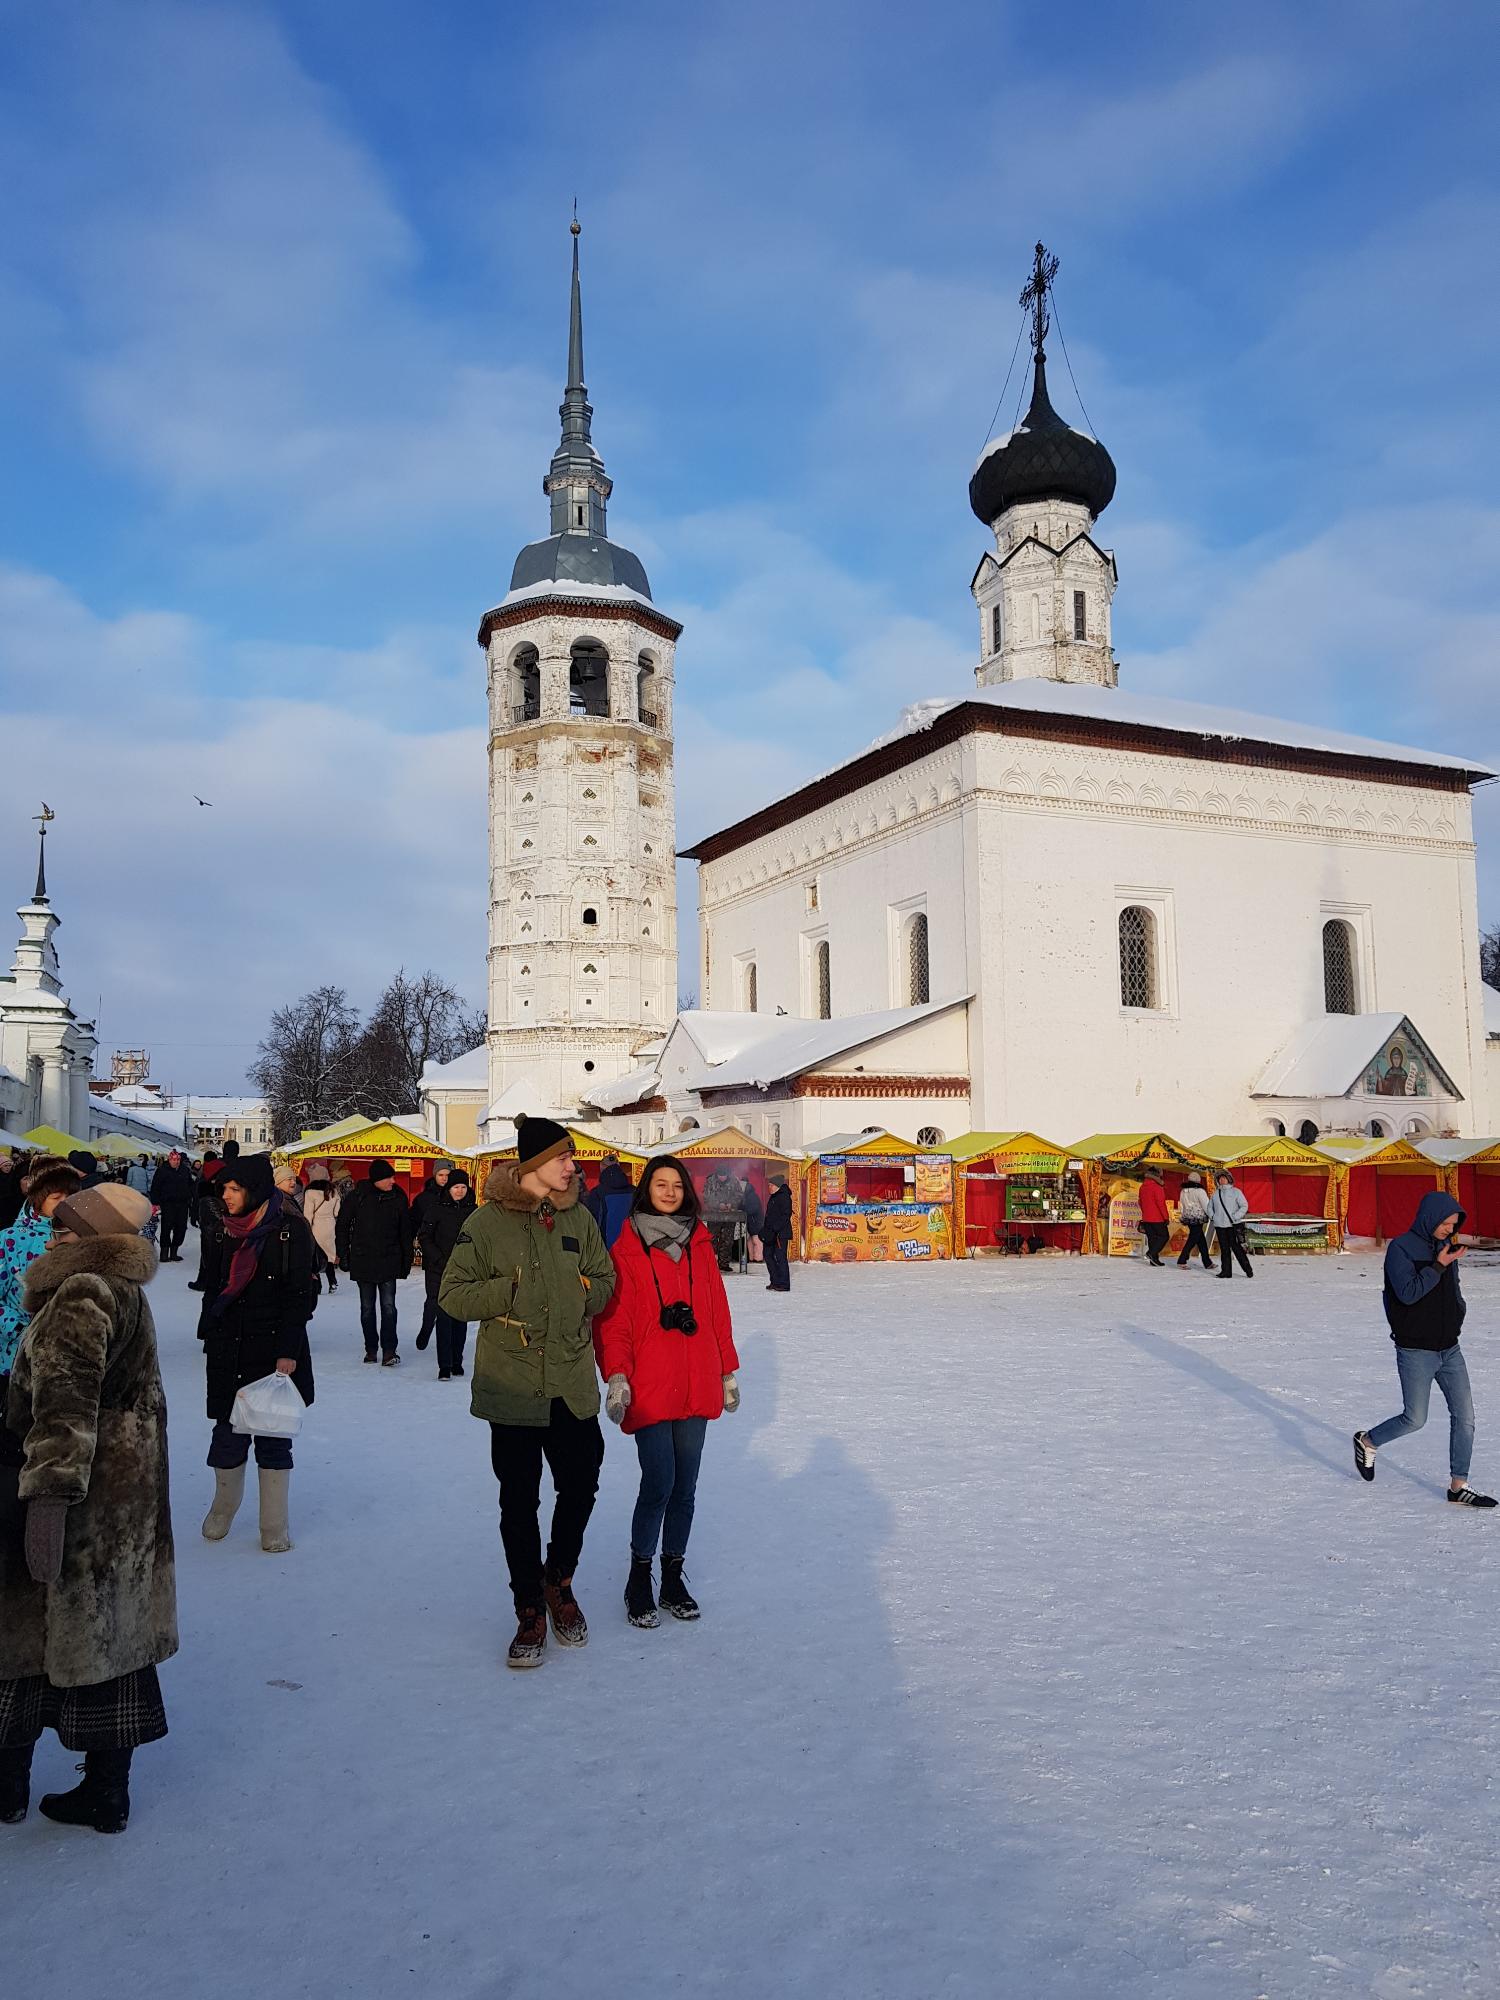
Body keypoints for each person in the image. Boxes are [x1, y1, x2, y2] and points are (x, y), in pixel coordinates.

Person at [0, 1183, 175, 1834]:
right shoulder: (120, 1288)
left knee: (27, 1638)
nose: (55, 1230)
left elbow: (66, 1405)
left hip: (78, 1496)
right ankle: (105, 1792)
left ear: (93, 1234)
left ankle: (13, 1785)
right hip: (122, 1500)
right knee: (108, 1643)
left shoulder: (82, 1290)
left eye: (68, 1224)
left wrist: (48, 1496)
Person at [438, 1116, 615, 1669]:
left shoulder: (579, 1218)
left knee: (582, 1482)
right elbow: (452, 1295)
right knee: (519, 1501)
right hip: (512, 1384)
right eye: (563, 1156)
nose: (571, 1166)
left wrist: (588, 1293)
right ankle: (528, 1609)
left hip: (569, 1381)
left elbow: (605, 1281)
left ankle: (558, 1581)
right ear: (535, 1163)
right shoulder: (486, 1223)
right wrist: (507, 1288)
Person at [595, 1156, 740, 1629]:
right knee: (658, 1482)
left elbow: (716, 1310)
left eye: (677, 1185)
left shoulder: (700, 1243)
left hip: (697, 1376)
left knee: (686, 1487)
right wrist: (617, 1374)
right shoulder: (627, 1250)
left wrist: (727, 1371)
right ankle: (640, 1576)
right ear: (646, 1190)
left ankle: (673, 1575)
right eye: (661, 1184)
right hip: (651, 1383)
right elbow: (614, 1321)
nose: (670, 1191)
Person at [197, 1153, 317, 1553]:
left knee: (271, 1437)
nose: (227, 1196)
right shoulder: (220, 1230)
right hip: (229, 1347)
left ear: (254, 1190)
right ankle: (223, 1507)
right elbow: (213, 1287)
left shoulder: (289, 1231)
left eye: (234, 1189)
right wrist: (209, 1331)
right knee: (227, 1435)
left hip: (272, 1351)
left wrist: (288, 1350)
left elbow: (300, 1296)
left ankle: (273, 1524)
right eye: (223, 1189)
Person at [1354, 1192, 1494, 1505]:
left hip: (1450, 1349)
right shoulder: (1400, 1249)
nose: (1449, 1228)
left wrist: (1458, 1309)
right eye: (1445, 1222)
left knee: (1466, 1417)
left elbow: (1452, 1291)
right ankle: (1368, 1440)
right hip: (1415, 1350)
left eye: (1453, 1224)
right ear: (1429, 1217)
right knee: (1415, 1418)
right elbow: (1407, 1293)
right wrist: (1439, 1266)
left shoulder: (1445, 1247)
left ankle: (1458, 1486)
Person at [0, 1161, 83, 1395]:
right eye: (56, 1197)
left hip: (68, 1356)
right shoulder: (10, 1239)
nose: (65, 1204)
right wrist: (17, 1329)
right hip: (15, 1357)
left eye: (71, 1197)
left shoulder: (84, 1237)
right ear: (38, 1199)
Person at [336, 1160, 413, 1365]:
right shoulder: (358, 1196)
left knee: (389, 1307)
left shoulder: (398, 1197)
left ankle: (389, 1350)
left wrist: (407, 1259)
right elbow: (342, 1225)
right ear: (377, 1179)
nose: (393, 1181)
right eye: (389, 1177)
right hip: (364, 1260)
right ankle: (371, 1348)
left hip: (389, 1259)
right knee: (367, 1308)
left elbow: (405, 1231)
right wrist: (343, 1254)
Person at [418, 1169, 477, 1379]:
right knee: (443, 1317)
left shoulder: (474, 1210)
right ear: (448, 1189)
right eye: (455, 1187)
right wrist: (438, 1258)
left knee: (460, 1317)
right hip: (440, 1269)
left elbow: (481, 1239)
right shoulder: (436, 1208)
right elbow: (425, 1236)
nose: (459, 1191)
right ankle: (444, 1365)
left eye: (463, 1187)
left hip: (465, 1270)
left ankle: (456, 1361)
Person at [412, 1161, 454, 1350]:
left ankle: (449, 1339)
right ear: (435, 1176)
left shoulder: (459, 1196)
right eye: (441, 1175)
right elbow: (414, 1223)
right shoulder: (425, 1199)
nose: (444, 1179)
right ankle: (427, 1328)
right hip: (433, 1256)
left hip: (455, 1257)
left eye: (447, 1175)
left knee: (453, 1298)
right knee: (433, 1298)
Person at [149, 1148, 195, 1263]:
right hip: (167, 1204)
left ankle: (174, 1252)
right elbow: (155, 1187)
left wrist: (191, 1195)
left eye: (178, 1160)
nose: (176, 1162)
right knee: (166, 1228)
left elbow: (190, 1185)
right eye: (174, 1160)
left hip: (183, 1204)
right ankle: (164, 1253)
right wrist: (155, 1202)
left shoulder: (185, 1170)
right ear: (169, 1160)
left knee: (181, 1228)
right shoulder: (162, 1170)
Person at [301, 1164, 341, 1293]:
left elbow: (308, 1214)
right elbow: (337, 1212)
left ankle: (317, 1285)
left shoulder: (309, 1192)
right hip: (330, 1226)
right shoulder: (333, 1191)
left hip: (315, 1226)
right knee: (329, 1256)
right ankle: (332, 1281)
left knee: (314, 1256)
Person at [1209, 1169, 1253, 1278]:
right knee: (1224, 1249)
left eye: (1224, 1177)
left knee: (1237, 1248)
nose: (1222, 1180)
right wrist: (1213, 1216)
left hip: (1232, 1225)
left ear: (1229, 1179)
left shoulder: (1236, 1192)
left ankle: (1247, 1269)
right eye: (1220, 1178)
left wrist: (1235, 1216)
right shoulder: (1215, 1194)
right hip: (1220, 1225)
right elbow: (1210, 1207)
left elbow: (1244, 1205)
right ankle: (1226, 1271)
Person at [582, 1156, 635, 1249]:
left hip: (606, 1249)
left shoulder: (597, 1192)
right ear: (619, 1165)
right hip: (632, 1249)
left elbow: (591, 1224)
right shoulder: (635, 1191)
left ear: (601, 1167)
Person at [763, 1172, 794, 1292]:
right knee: (768, 1255)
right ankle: (775, 1281)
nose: (769, 1187)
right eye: (768, 1185)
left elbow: (786, 1215)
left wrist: (775, 1228)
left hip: (780, 1234)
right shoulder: (773, 1196)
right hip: (771, 1233)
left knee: (780, 1258)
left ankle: (784, 1283)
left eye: (771, 1185)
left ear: (777, 1186)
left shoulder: (784, 1196)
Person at [1176, 1172, 1213, 1270]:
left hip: (1188, 1217)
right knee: (1193, 1239)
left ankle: (1207, 1262)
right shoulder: (1200, 1191)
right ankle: (1182, 1259)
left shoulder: (1183, 1191)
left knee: (1201, 1240)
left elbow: (1182, 1204)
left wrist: (1183, 1215)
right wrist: (1211, 1215)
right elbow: (1206, 1205)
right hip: (1198, 1217)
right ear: (1198, 1180)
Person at [1138, 1168, 1170, 1267]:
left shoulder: (1143, 1186)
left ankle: (1154, 1260)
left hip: (1146, 1217)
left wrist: (1145, 1212)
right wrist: (1166, 1217)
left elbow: (1140, 1202)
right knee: (1164, 1236)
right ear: (1157, 1175)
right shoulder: (1157, 1187)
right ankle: (1151, 1253)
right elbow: (1161, 1203)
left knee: (1152, 1238)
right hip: (1157, 1217)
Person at [0, 1153, 22, 1232]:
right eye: (5, 1166)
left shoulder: (14, 1177)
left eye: (9, 1165)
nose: (8, 1168)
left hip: (13, 1207)